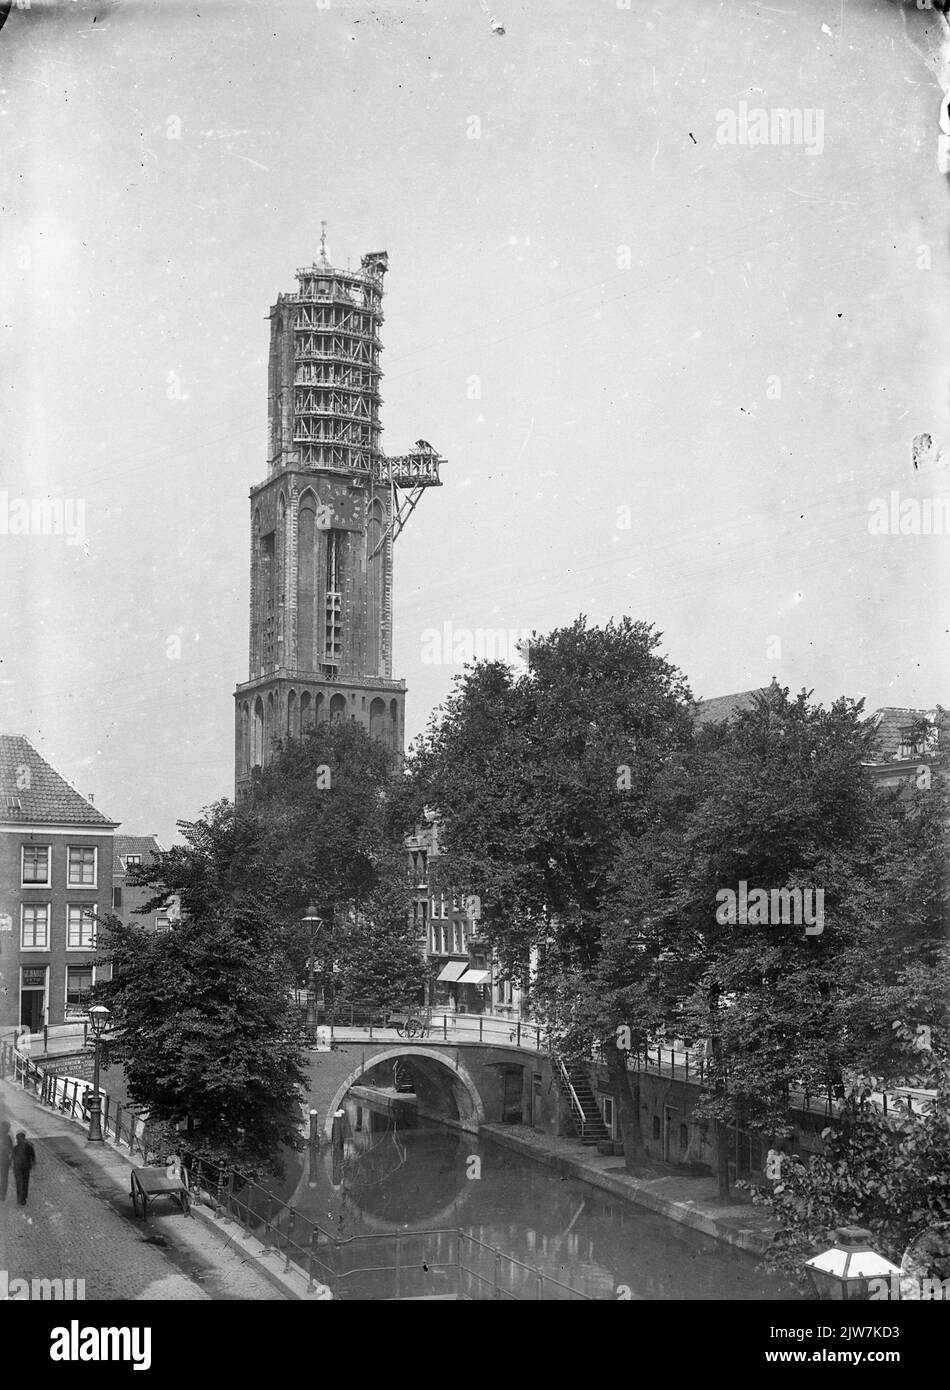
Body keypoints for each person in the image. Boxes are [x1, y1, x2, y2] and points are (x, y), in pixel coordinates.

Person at [11, 1130, 36, 1207]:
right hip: (25, 1168)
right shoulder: (29, 1146)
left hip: (18, 1168)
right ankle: (23, 1198)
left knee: (19, 1183)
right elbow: (33, 1157)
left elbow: (12, 1158)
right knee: (25, 1182)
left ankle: (20, 1198)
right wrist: (33, 1164)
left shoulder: (15, 1148)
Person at [0, 1120, 12, 1201]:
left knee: (4, 1178)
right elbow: (10, 1149)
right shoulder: (7, 1137)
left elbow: (10, 1149)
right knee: (4, 1178)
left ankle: (2, 1194)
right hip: (4, 1161)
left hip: (4, 1161)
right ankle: (2, 1194)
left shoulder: (8, 1137)